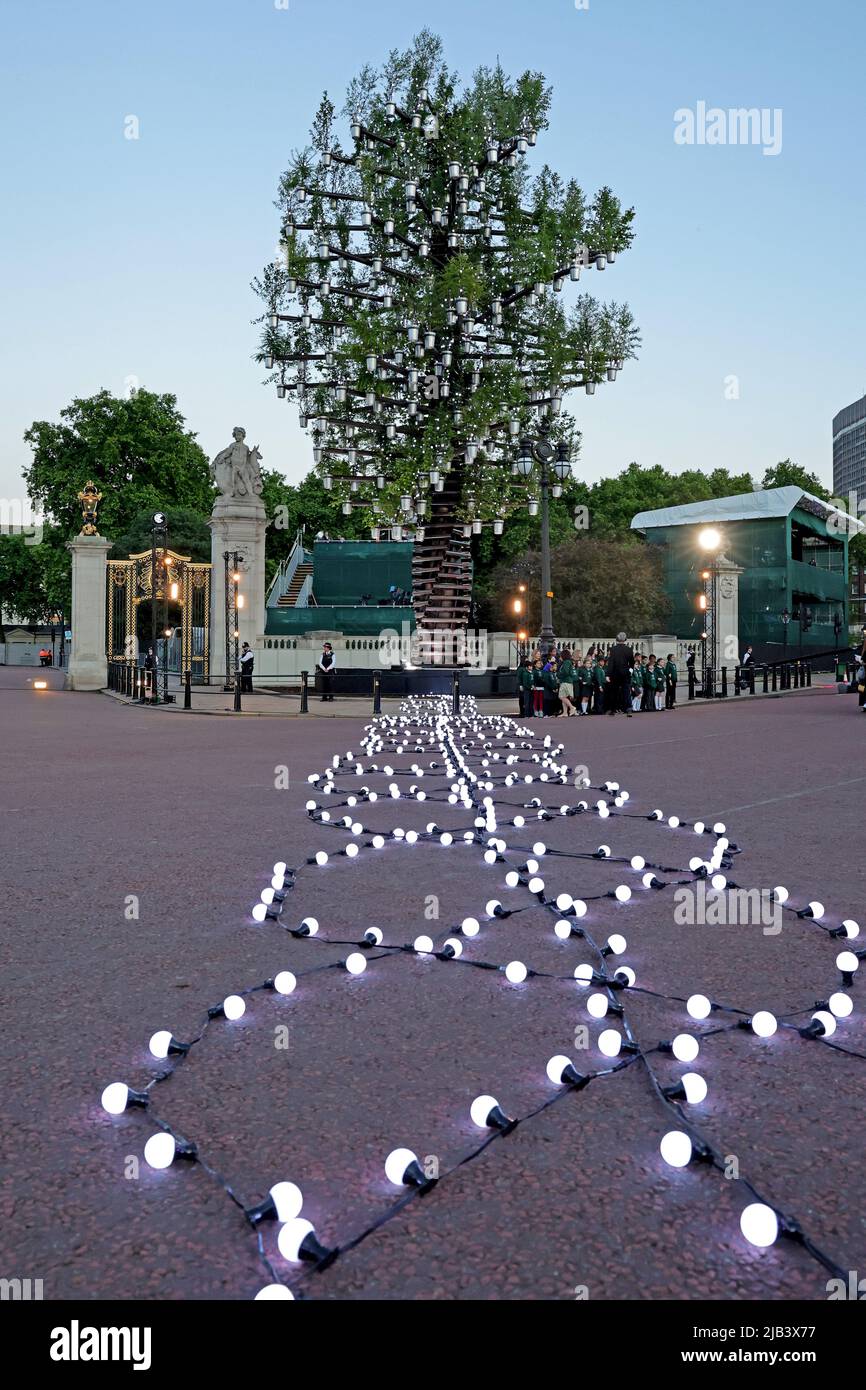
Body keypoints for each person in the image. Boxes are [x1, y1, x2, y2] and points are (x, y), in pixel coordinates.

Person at [605, 631, 635, 717]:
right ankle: (629, 709)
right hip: (625, 673)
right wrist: (630, 671)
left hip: (615, 673)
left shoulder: (613, 649)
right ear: (625, 639)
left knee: (614, 692)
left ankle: (613, 709)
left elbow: (611, 663)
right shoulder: (629, 649)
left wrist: (608, 674)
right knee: (626, 692)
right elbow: (632, 663)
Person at [557, 649, 577, 716]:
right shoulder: (567, 662)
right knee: (564, 697)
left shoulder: (566, 662)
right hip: (566, 681)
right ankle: (565, 712)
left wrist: (559, 674)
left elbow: (565, 672)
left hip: (565, 681)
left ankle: (572, 707)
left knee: (561, 696)